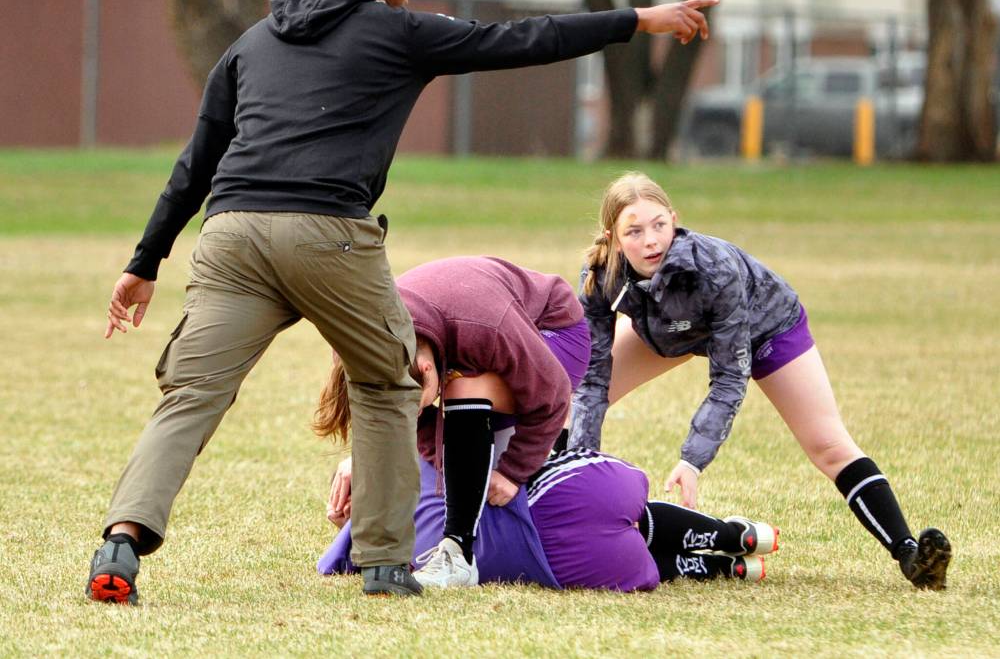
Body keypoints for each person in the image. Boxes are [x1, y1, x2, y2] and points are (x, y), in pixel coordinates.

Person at [89, 0, 720, 604]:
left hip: (232, 233)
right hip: (328, 230)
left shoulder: (254, 41)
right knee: (389, 382)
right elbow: (522, 39)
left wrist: (145, 261)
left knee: (192, 395)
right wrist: (637, 20)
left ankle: (121, 540)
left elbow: (198, 158)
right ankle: (387, 562)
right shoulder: (398, 32)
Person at [568, 172, 952, 591]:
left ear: (674, 220)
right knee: (573, 395)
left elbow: (731, 377)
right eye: (635, 231)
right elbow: (591, 379)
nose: (651, 240)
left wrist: (693, 459)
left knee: (828, 445)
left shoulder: (714, 268)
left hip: (764, 327)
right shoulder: (602, 274)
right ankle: (540, 505)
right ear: (613, 236)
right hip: (670, 328)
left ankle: (911, 556)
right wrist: (581, 468)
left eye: (660, 225)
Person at [319, 371, 779, 591]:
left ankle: (719, 567)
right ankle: (728, 535)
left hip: (576, 569)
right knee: (623, 509)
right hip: (577, 495)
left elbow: (332, 564)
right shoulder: (438, 434)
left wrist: (349, 522)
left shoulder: (382, 538)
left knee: (622, 549)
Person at [315, 255, 591, 588]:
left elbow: (555, 394)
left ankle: (459, 554)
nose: (413, 416)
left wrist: (514, 470)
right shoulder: (363, 342)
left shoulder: (485, 329)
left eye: (415, 408)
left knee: (464, 384)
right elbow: (390, 413)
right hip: (464, 335)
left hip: (552, 330)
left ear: (429, 371)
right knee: (452, 405)